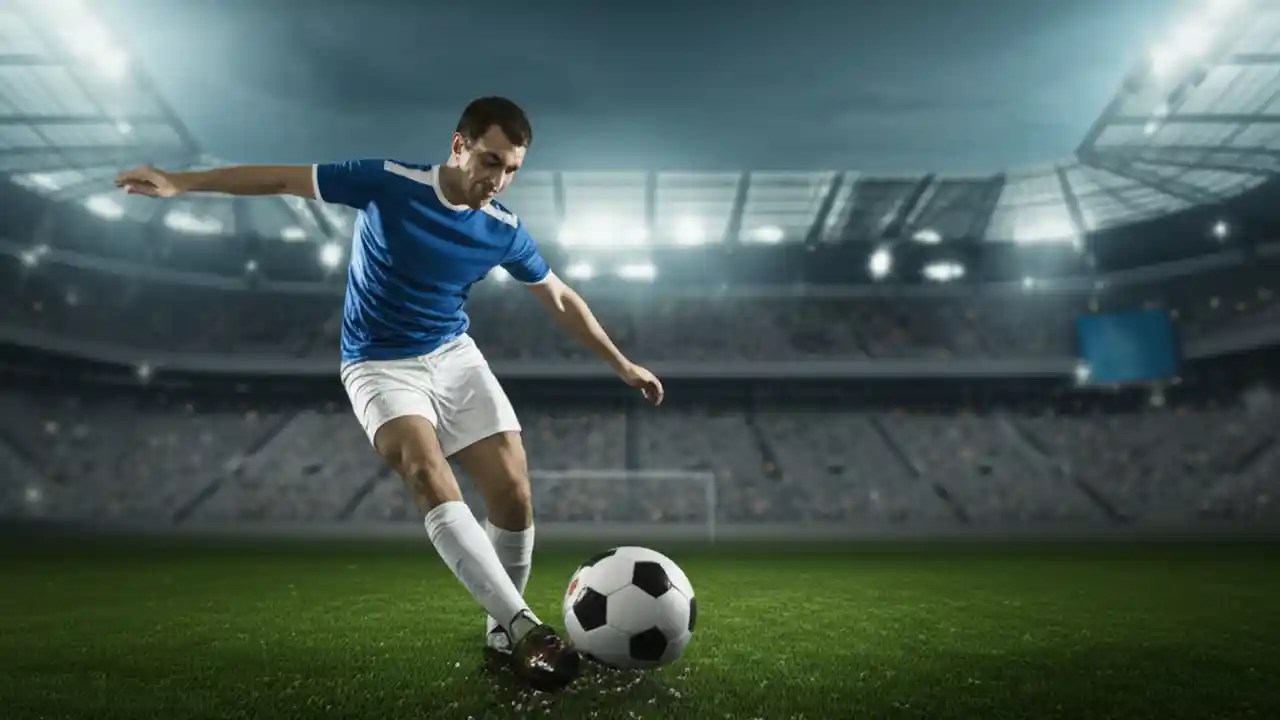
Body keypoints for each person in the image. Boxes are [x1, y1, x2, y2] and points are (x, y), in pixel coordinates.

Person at [114, 96, 664, 691]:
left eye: (510, 170)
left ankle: (499, 635)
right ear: (459, 145)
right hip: (377, 362)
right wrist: (180, 182)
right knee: (427, 471)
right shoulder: (388, 183)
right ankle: (526, 628)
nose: (497, 179)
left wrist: (622, 363)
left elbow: (559, 297)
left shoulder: (501, 228)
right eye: (489, 161)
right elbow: (281, 178)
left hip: (452, 355)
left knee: (514, 492)